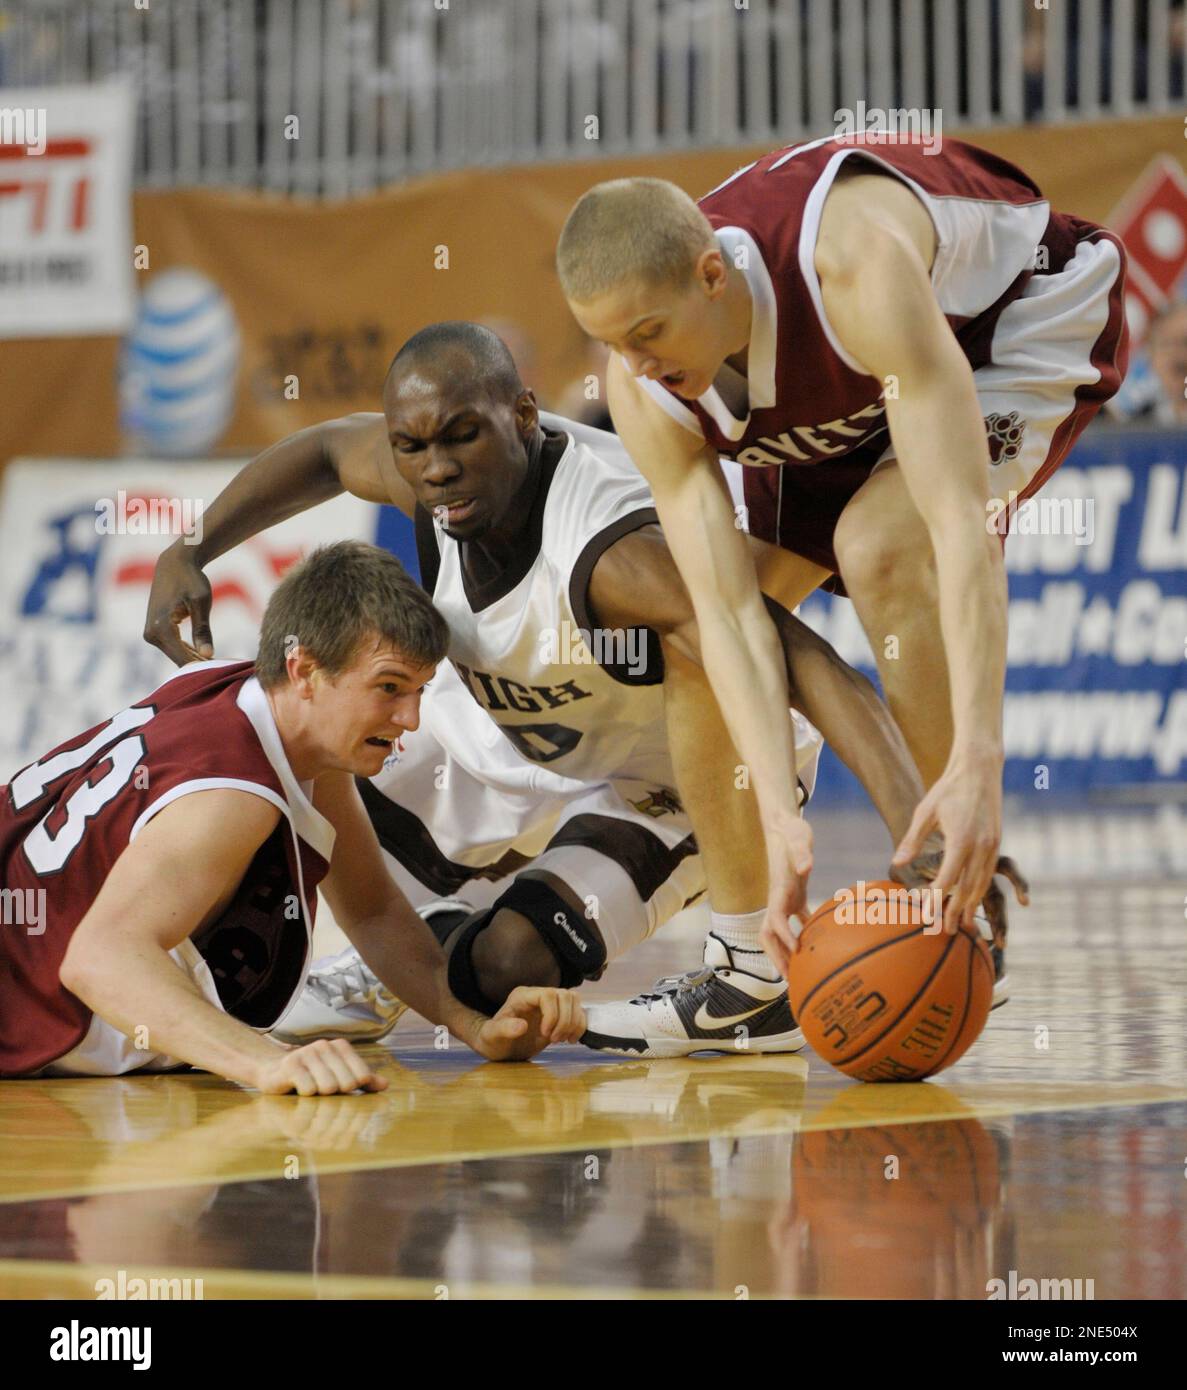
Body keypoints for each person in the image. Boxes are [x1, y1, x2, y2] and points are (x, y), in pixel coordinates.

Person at [145, 323, 1024, 1060]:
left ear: (524, 416)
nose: (436, 467)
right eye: (413, 446)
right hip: (505, 740)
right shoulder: (424, 471)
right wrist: (191, 547)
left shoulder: (615, 555)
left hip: (667, 779)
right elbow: (326, 451)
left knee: (503, 967)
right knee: (283, 796)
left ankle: (414, 966)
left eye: (461, 437)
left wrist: (924, 829)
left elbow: (809, 665)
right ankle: (383, 965)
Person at [557, 132, 1124, 970]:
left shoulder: (851, 264)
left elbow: (960, 536)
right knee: (692, 631)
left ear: (711, 277)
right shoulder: (645, 384)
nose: (636, 366)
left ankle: (950, 869)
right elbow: (728, 616)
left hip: (1008, 317)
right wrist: (780, 815)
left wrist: (979, 758)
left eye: (648, 332)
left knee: (880, 547)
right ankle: (746, 956)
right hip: (842, 390)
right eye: (613, 344)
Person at [1, 541, 583, 1087]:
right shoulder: (230, 793)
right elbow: (101, 960)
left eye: (421, 691)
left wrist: (473, 1025)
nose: (410, 719)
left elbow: (374, 910)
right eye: (389, 687)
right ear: (304, 669)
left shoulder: (260, 706)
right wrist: (266, 1065)